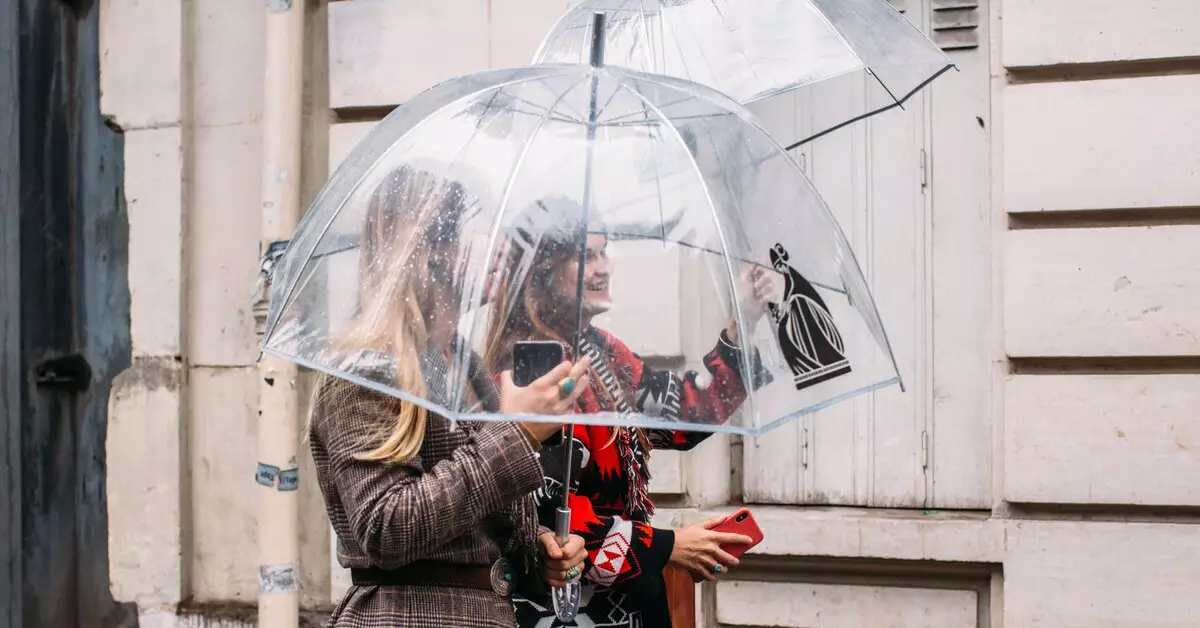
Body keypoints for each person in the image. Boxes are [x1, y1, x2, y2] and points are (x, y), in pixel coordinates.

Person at [307, 169, 593, 628]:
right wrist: (516, 435)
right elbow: (386, 527)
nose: (503, 250)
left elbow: (472, 525)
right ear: (425, 251)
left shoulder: (463, 363)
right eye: (481, 234)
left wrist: (539, 549)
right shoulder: (366, 367)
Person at [484, 196, 775, 627]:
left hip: (629, 608)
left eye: (605, 252)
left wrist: (741, 324)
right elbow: (551, 525)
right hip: (563, 613)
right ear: (544, 270)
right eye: (586, 256)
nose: (604, 267)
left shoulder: (601, 352)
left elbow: (684, 417)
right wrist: (668, 546)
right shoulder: (529, 373)